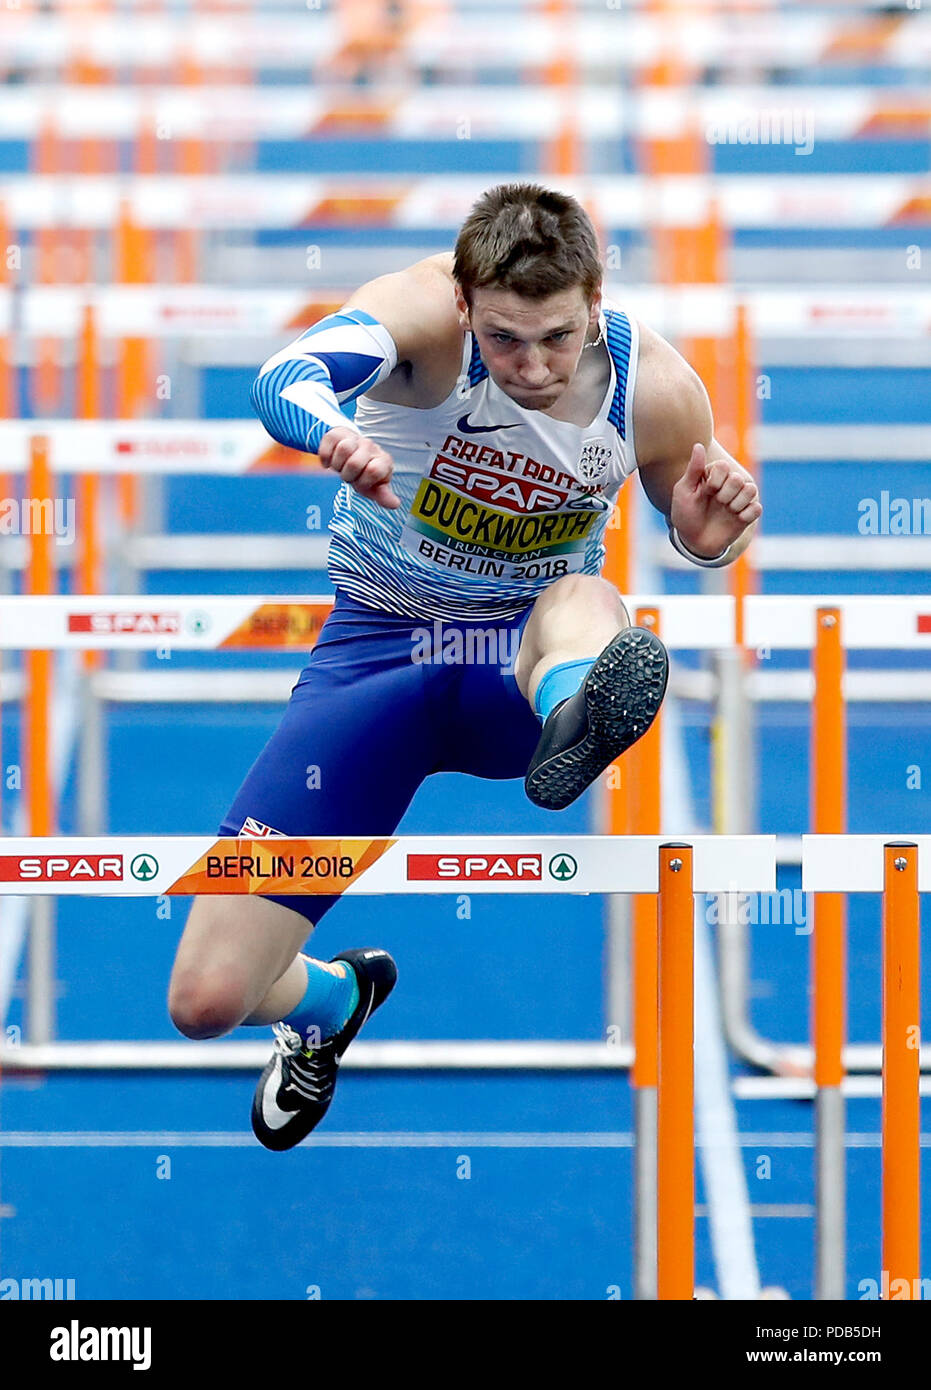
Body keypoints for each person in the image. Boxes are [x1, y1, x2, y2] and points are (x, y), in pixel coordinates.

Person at [167, 183, 761, 1151]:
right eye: (503, 339)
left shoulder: (651, 385)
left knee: (587, 606)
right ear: (462, 307)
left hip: (516, 662)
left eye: (557, 338)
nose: (530, 366)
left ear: (595, 305)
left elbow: (699, 529)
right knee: (203, 997)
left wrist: (705, 541)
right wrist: (332, 429)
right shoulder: (420, 317)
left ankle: (581, 719)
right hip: (371, 663)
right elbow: (283, 376)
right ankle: (329, 1001)